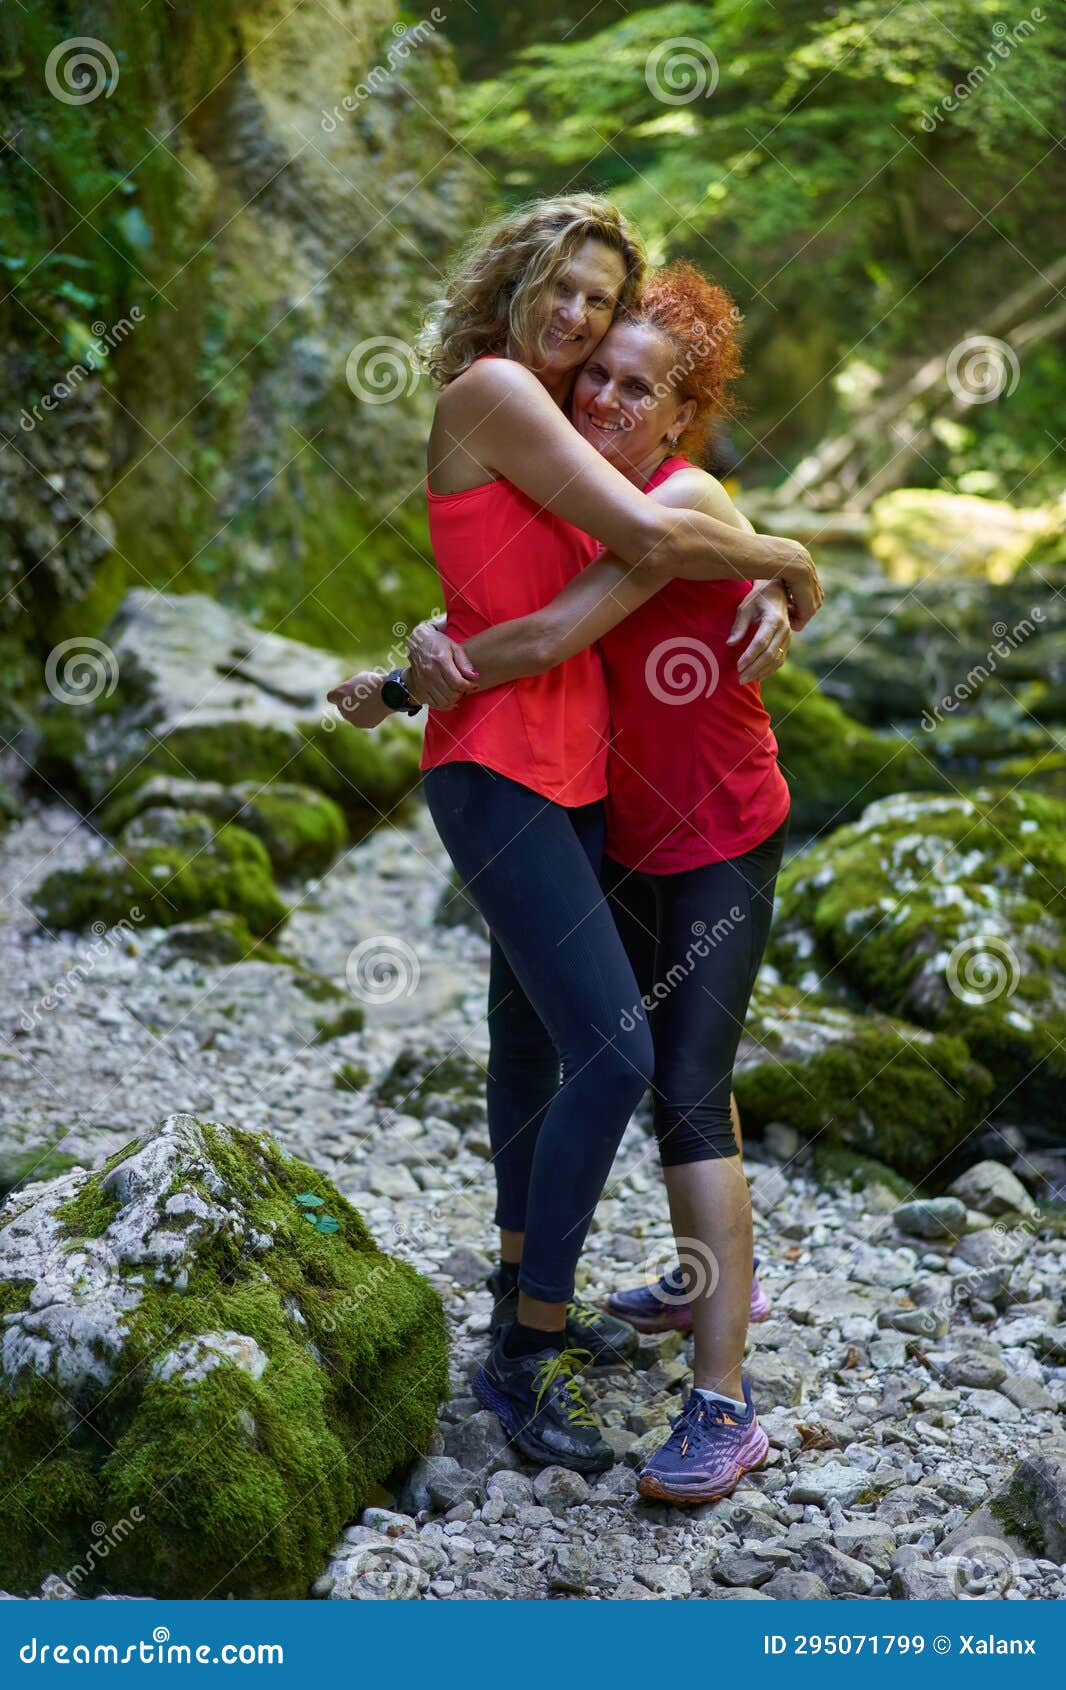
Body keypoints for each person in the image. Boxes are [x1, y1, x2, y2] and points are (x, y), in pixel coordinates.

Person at [329, 195, 820, 1480]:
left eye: (601, 303)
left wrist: (759, 573)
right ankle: (525, 1346)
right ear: (515, 282)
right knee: (613, 1059)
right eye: (561, 289)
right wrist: (801, 560)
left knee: (530, 1043)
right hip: (498, 769)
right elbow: (621, 564)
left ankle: (517, 1285)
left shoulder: (581, 438)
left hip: (581, 777)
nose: (577, 322)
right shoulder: (496, 386)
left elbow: (647, 524)